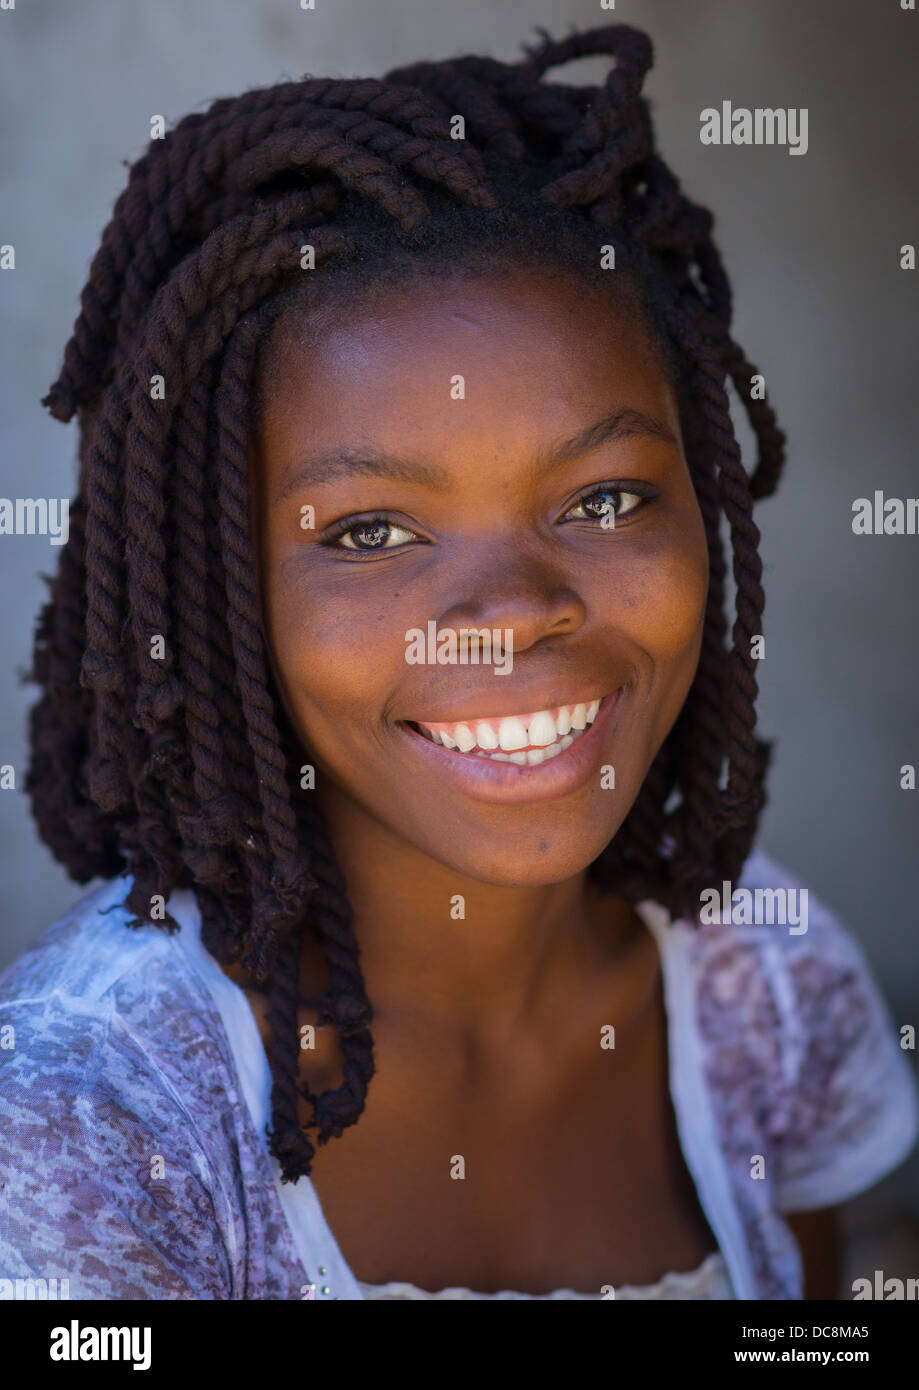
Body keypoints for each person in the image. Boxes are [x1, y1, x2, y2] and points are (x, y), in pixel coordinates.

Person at [1, 21, 915, 1301]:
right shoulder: (84, 1116)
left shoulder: (765, 979)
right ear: (221, 590)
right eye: (371, 531)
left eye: (603, 499)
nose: (515, 612)